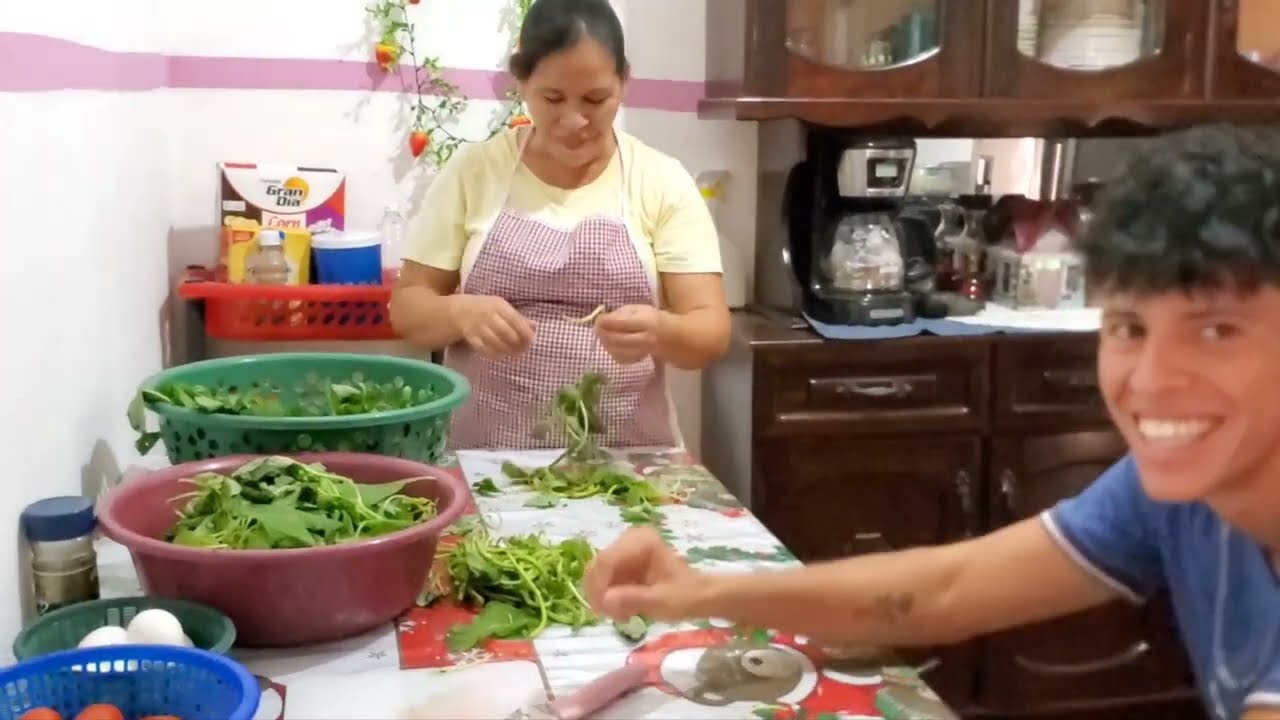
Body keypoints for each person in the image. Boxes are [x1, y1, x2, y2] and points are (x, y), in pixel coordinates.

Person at [585, 124, 1280, 720]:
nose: (1152, 381)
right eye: (1128, 327)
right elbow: (942, 591)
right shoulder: (1175, 494)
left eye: (1216, 331)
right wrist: (698, 592)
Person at [390, 0, 729, 451]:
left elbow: (710, 330)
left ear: (624, 81)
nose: (574, 121)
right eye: (552, 99)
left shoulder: (660, 180)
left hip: (626, 464)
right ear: (521, 80)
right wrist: (459, 313)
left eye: (596, 99)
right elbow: (407, 309)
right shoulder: (476, 172)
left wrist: (662, 331)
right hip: (491, 463)